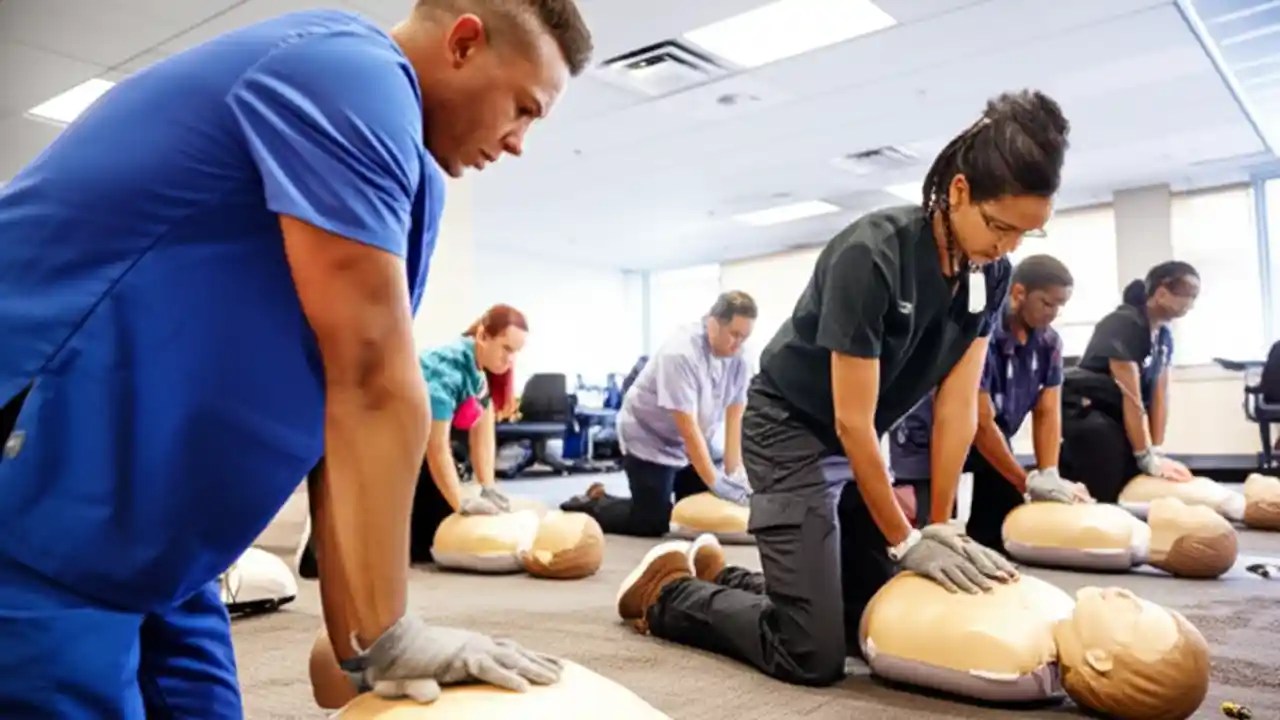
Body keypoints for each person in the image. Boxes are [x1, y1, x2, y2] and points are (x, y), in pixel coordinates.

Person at [0, 1, 592, 716]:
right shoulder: (347, 74)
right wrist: (388, 631)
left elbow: (339, 408)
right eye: (523, 108)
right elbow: (372, 375)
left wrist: (362, 644)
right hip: (47, 499)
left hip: (165, 534)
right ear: (465, 41)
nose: (520, 141)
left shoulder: (406, 170)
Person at [615, 89, 1071, 687]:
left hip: (854, 443)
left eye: (1024, 235)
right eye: (999, 227)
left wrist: (938, 525)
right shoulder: (872, 254)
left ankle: (730, 579)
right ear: (959, 192)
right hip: (789, 430)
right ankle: (668, 592)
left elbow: (957, 406)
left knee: (875, 618)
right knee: (811, 654)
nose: (1006, 248)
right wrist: (904, 541)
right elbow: (853, 421)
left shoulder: (990, 275)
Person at [298, 304, 528, 575]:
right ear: (482, 336)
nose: (509, 360)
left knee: (429, 539)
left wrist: (488, 487)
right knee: (362, 557)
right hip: (369, 437)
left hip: (405, 443)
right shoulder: (448, 369)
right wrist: (461, 502)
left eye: (516, 353)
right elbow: (436, 447)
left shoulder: (479, 373)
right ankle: (324, 539)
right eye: (506, 349)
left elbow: (482, 434)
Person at [888, 254, 1092, 549]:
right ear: (1019, 293)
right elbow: (979, 421)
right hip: (933, 433)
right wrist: (1026, 482)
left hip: (995, 434)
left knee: (1002, 516)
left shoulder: (1049, 343)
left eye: (1061, 306)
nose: (1053, 313)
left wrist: (1048, 475)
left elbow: (1047, 412)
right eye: (1048, 303)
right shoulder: (981, 332)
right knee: (934, 526)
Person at [563, 291, 757, 536]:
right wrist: (715, 481)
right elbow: (687, 428)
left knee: (699, 514)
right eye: (735, 335)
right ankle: (594, 504)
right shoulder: (680, 353)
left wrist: (733, 475)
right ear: (712, 323)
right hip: (649, 437)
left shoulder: (741, 356)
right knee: (654, 521)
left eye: (745, 337)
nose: (739, 344)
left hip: (692, 443)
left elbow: (734, 416)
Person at [1060, 262, 1200, 503]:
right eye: (1187, 296)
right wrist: (1143, 455)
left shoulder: (1164, 335)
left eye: (1194, 297)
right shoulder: (1123, 323)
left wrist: (1155, 449)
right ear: (1162, 293)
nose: (1191, 305)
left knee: (1138, 474)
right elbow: (1131, 394)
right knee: (1111, 473)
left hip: (1119, 414)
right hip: (1089, 411)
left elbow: (1159, 395)